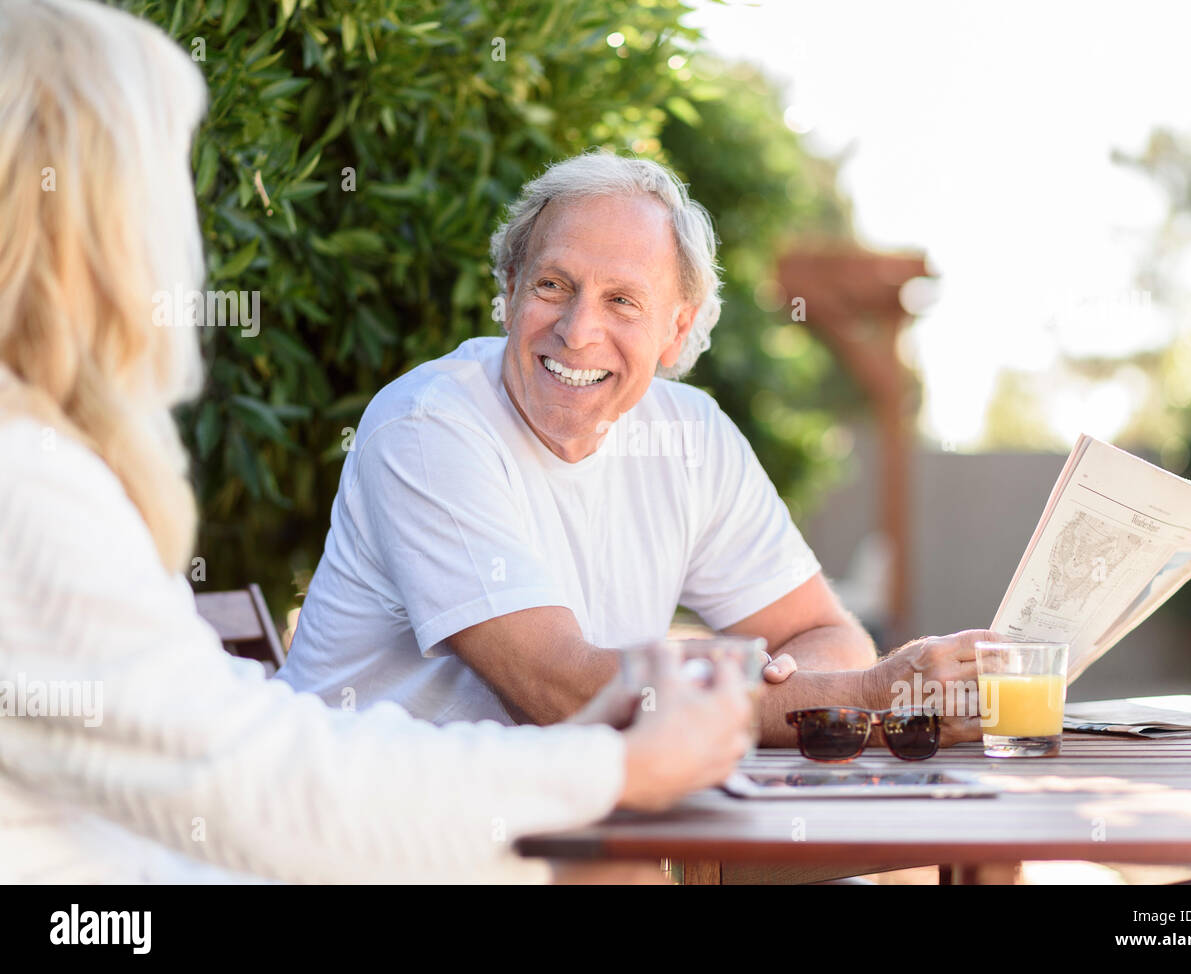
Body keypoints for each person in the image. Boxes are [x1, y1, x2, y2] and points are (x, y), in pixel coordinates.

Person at [0, 0, 754, 884]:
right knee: (602, 866)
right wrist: (616, 767)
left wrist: (592, 754)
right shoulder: (26, 488)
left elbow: (235, 740)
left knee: (602, 865)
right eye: (162, 179)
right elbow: (259, 786)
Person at [277, 151, 995, 746]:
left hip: (557, 838)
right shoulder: (430, 428)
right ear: (508, 290)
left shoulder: (690, 434)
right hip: (364, 844)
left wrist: (791, 687)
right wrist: (868, 695)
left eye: (622, 300)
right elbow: (563, 690)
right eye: (554, 285)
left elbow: (820, 631)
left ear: (677, 331)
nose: (578, 330)